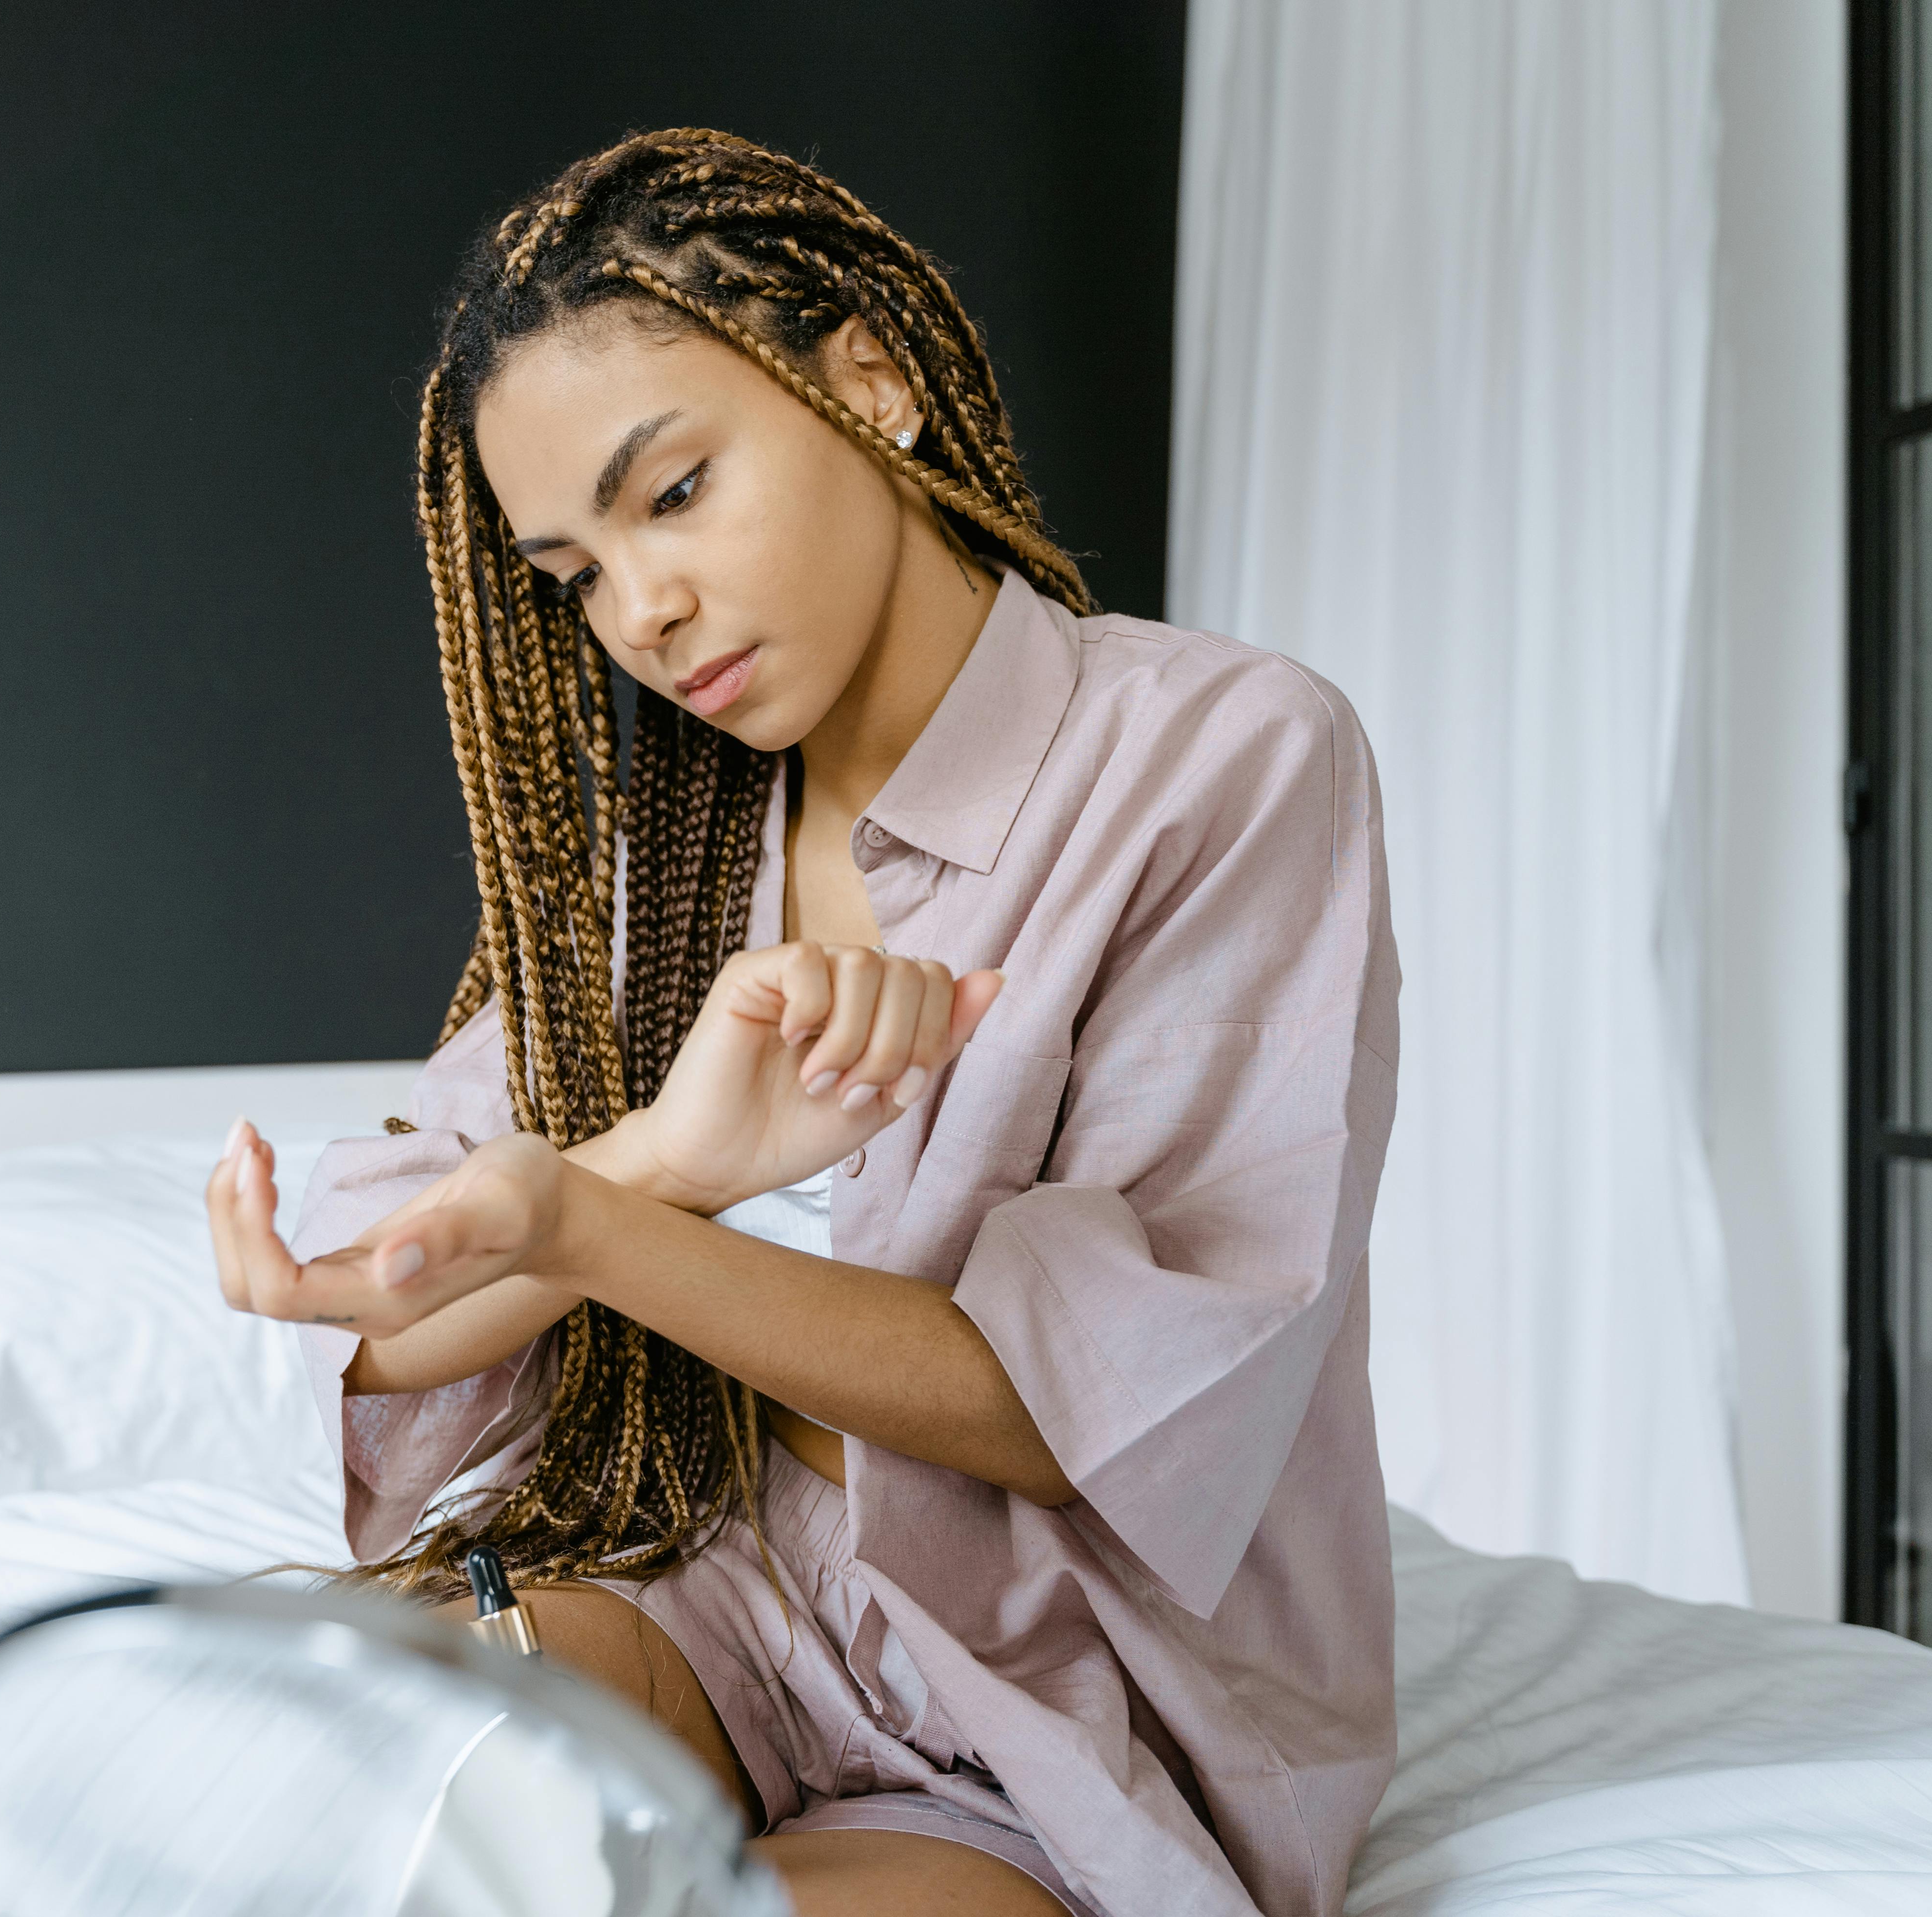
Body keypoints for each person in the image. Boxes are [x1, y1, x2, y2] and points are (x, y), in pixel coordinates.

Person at [205, 128, 1399, 1917]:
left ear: (873, 381)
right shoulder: (661, 861)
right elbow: (389, 1326)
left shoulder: (1222, 760)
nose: (643, 611)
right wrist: (669, 1160)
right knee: (285, 1797)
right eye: (574, 572)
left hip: (1063, 1698)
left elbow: (1087, 1410)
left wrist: (597, 1226)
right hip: (698, 1585)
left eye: (672, 493)